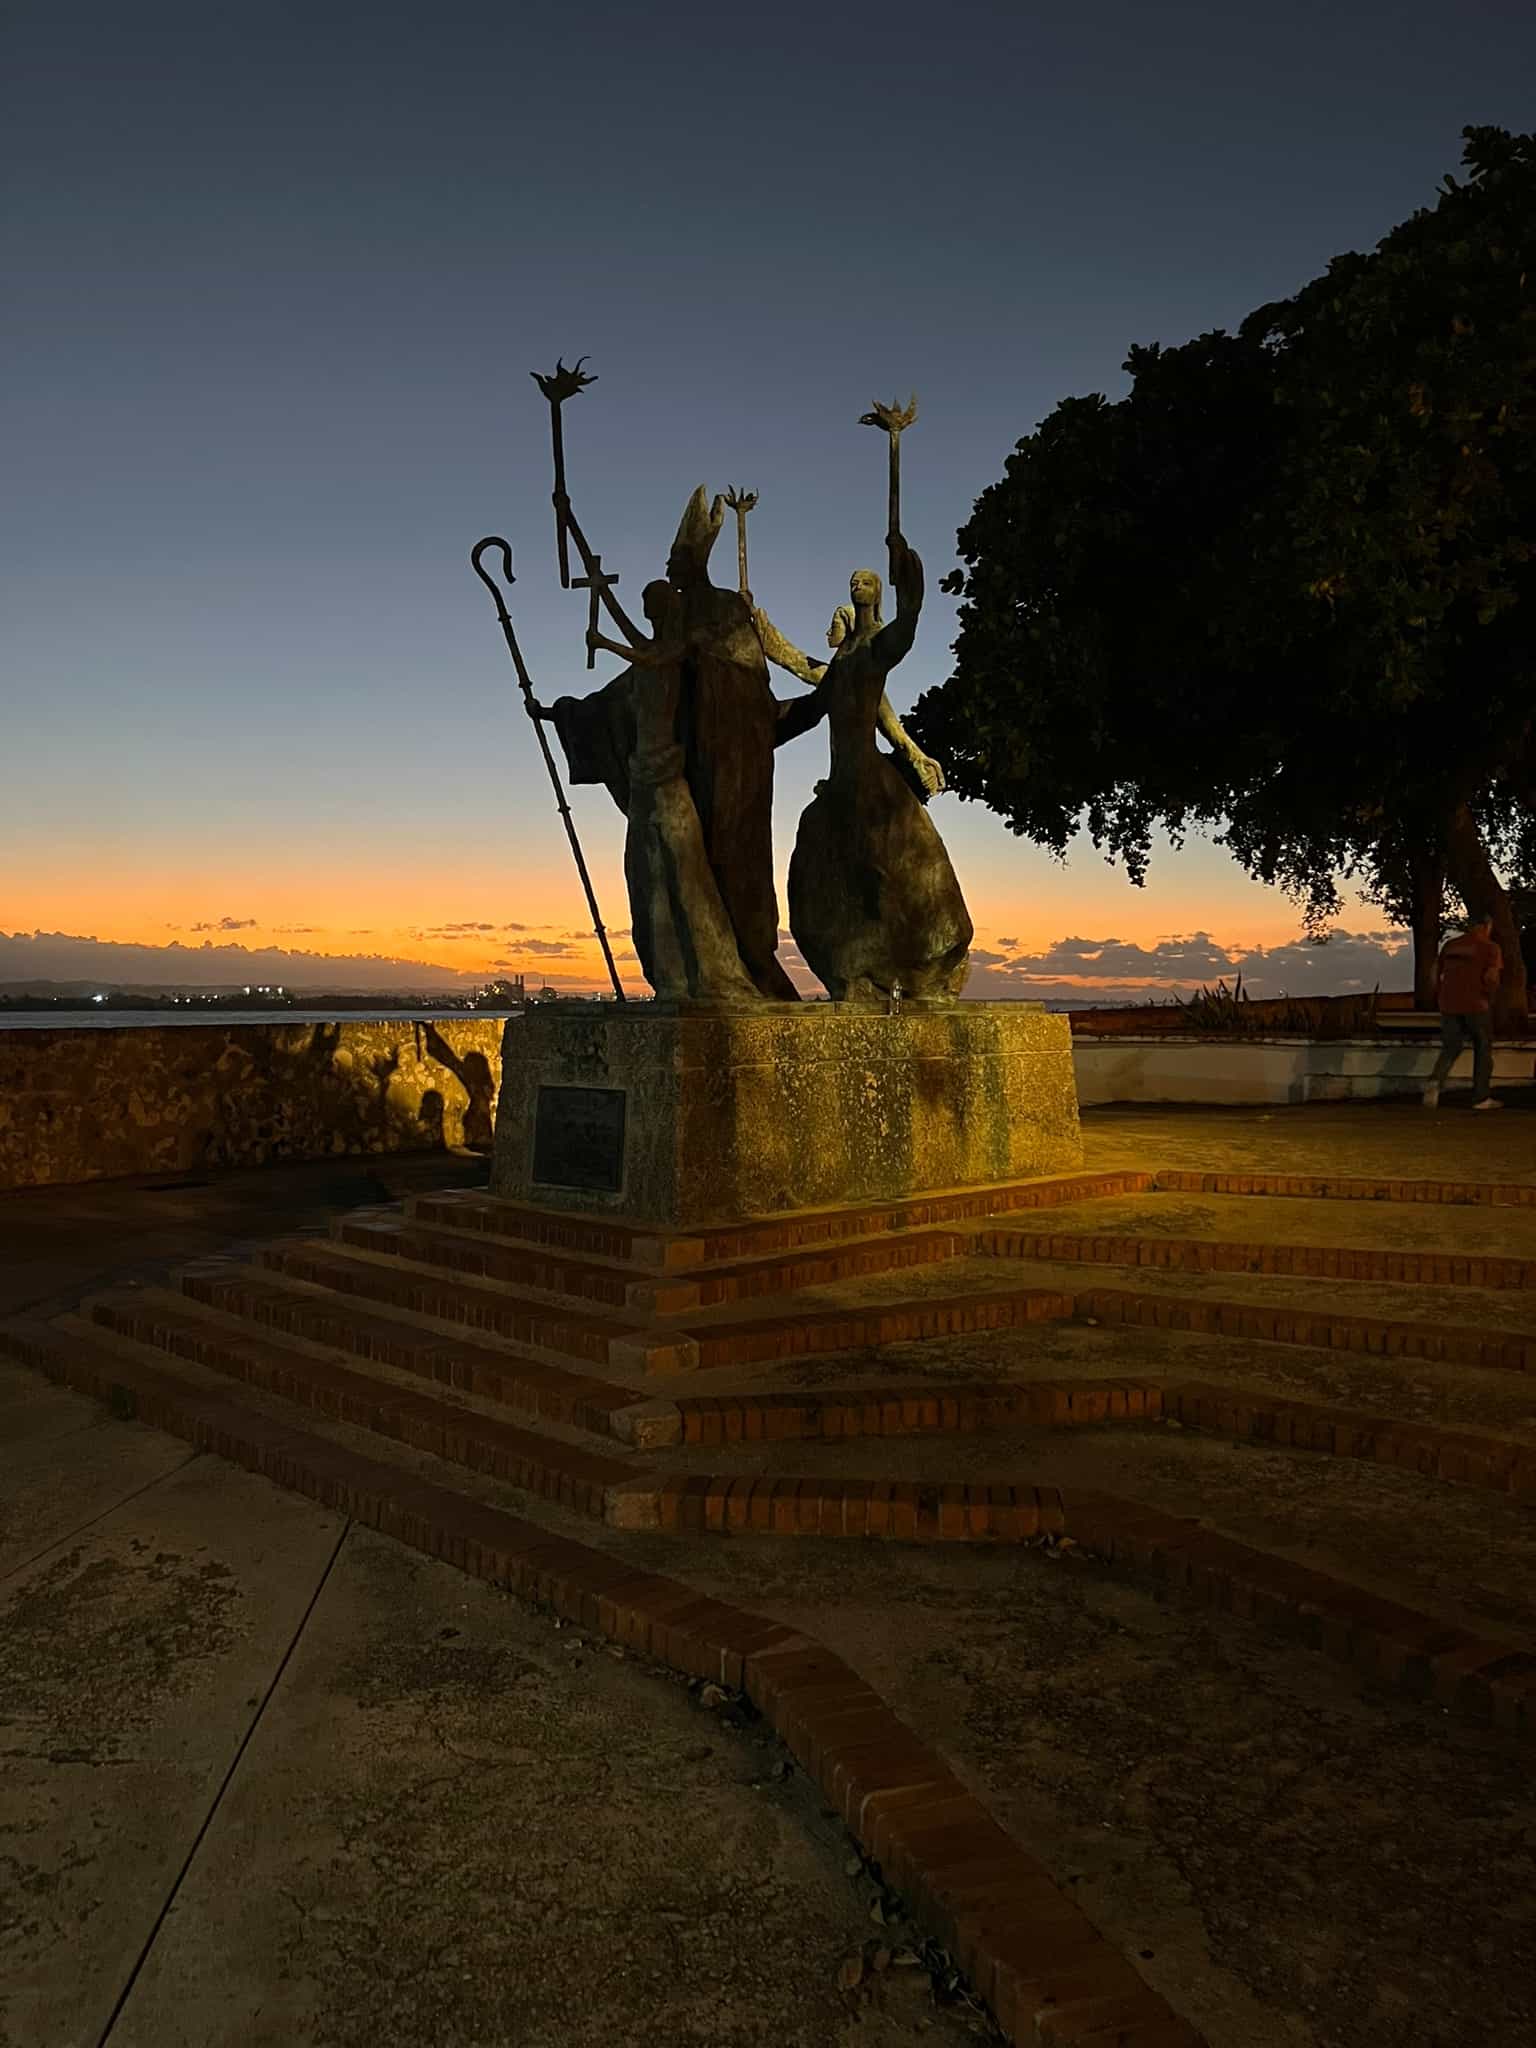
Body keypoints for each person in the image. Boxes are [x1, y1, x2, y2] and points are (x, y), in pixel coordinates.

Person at [780, 536, 972, 1004]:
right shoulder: (839, 666)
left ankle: (926, 956)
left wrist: (913, 592)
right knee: (828, 862)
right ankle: (852, 965)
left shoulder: (875, 651)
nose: (856, 585)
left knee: (898, 861)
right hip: (840, 778)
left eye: (865, 581)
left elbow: (891, 712)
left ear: (876, 593)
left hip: (867, 772)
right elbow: (790, 659)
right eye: (853, 582)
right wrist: (753, 619)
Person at [1423, 912, 1503, 1110]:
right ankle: (1481, 1097)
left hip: (1448, 1004)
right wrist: (1490, 997)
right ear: (1487, 925)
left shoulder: (1451, 945)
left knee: (1451, 1047)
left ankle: (1435, 1082)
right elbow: (1491, 976)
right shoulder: (1490, 948)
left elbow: (1434, 974)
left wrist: (1438, 996)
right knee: (1483, 1048)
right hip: (1476, 1004)